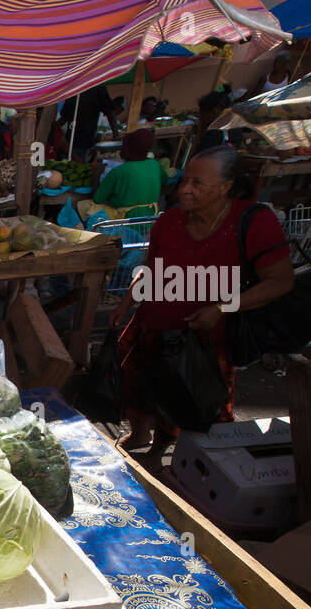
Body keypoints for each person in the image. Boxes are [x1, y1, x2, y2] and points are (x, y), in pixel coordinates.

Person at [108, 147, 294, 463]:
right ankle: (140, 432)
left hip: (205, 335)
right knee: (132, 384)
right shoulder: (168, 222)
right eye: (184, 180)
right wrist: (126, 303)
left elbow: (280, 281)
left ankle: (162, 447)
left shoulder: (253, 221)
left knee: (188, 396)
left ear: (225, 187)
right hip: (150, 322)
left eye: (197, 183)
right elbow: (152, 268)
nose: (184, 189)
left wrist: (221, 309)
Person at [77, 127, 166, 221]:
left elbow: (98, 199)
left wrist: (96, 175)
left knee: (82, 206)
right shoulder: (155, 164)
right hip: (151, 216)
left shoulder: (119, 171)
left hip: (126, 219)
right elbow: (164, 181)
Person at [65, 85, 122, 162]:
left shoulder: (75, 86)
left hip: (78, 140)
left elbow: (109, 112)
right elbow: (109, 112)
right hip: (77, 141)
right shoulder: (96, 87)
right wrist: (116, 135)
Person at [193, 87, 246, 155]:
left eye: (203, 114)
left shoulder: (214, 133)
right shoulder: (236, 129)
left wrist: (202, 131)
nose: (201, 118)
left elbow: (198, 156)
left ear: (214, 111)